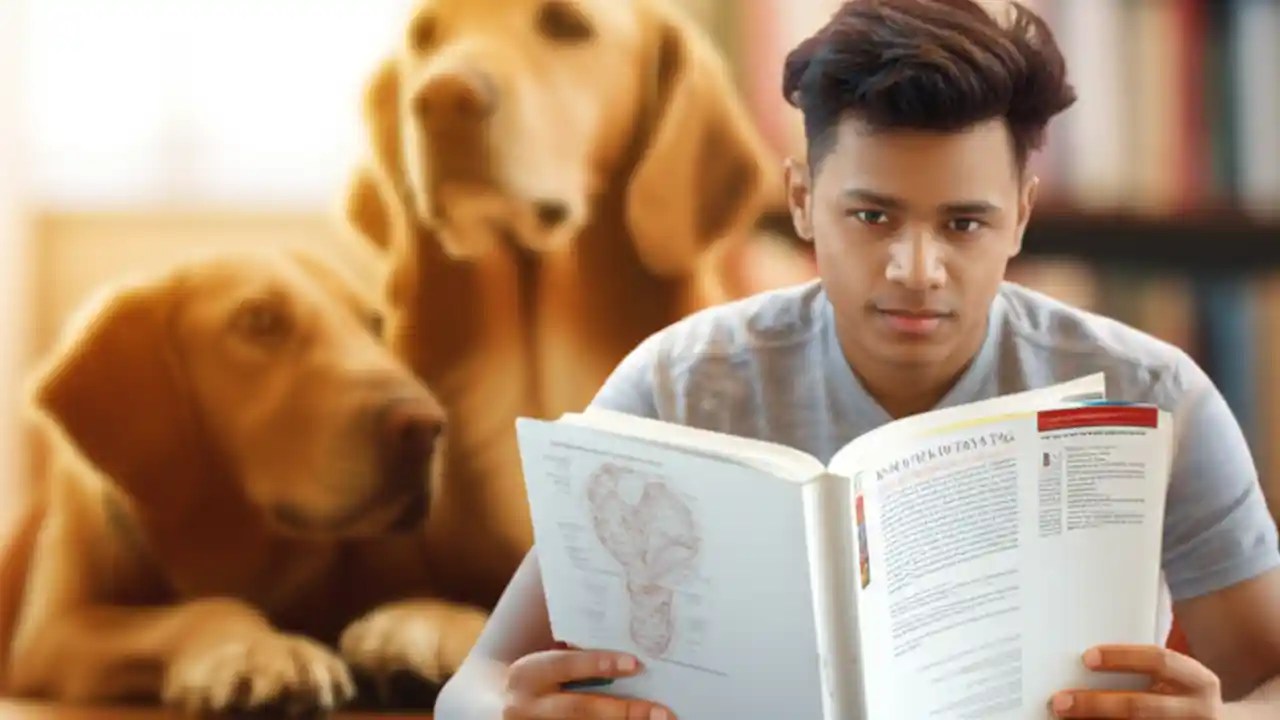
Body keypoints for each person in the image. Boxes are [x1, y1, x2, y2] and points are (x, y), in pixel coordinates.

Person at [434, 0, 1280, 717]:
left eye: (964, 223)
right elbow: (470, 685)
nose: (917, 272)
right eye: (872, 218)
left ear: (1021, 217)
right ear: (803, 201)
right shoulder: (674, 385)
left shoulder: (1154, 396)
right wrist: (506, 707)